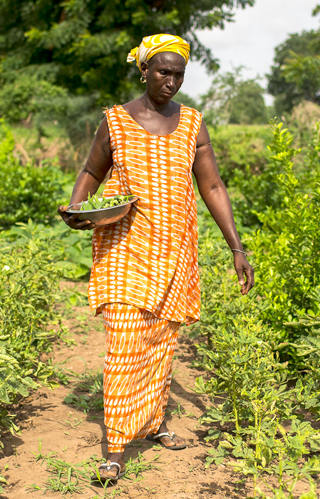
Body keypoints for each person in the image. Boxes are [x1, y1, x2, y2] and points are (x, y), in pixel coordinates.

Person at [57, 33, 255, 483]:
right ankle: (115, 446)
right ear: (144, 70)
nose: (171, 81)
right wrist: (77, 208)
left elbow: (213, 187)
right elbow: (91, 171)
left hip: (174, 251)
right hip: (124, 247)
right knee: (126, 341)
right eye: (163, 72)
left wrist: (236, 248)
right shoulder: (115, 121)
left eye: (179, 74)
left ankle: (152, 422)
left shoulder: (193, 124)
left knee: (160, 343)